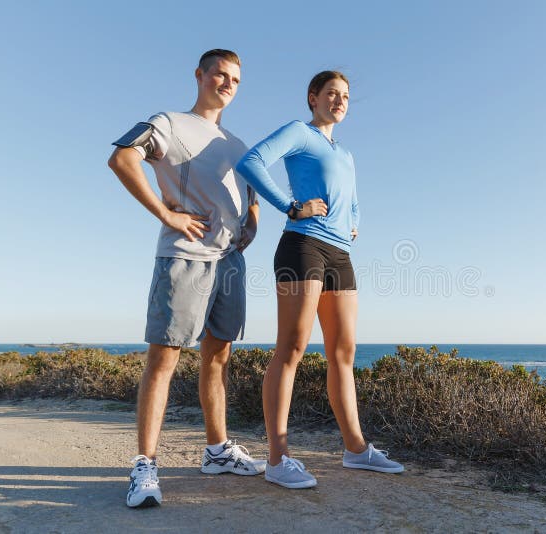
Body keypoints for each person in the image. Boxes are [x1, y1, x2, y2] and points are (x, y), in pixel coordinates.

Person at [108, 49, 264, 508]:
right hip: (184, 257)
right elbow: (122, 159)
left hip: (229, 263)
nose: (228, 83)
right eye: (220, 73)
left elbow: (249, 193)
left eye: (235, 78)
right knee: (164, 359)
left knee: (218, 358)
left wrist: (251, 223)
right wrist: (164, 213)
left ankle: (217, 451)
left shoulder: (237, 143)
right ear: (200, 75)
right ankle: (144, 466)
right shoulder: (171, 123)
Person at [235, 71, 404, 489]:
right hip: (301, 245)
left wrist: (355, 222)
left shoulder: (346, 153)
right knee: (291, 348)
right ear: (313, 97)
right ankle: (278, 458)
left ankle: (356, 449)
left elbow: (355, 199)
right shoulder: (299, 132)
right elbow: (251, 162)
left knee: (343, 352)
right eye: (332, 93)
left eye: (346, 96)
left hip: (339, 253)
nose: (340, 100)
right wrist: (291, 207)